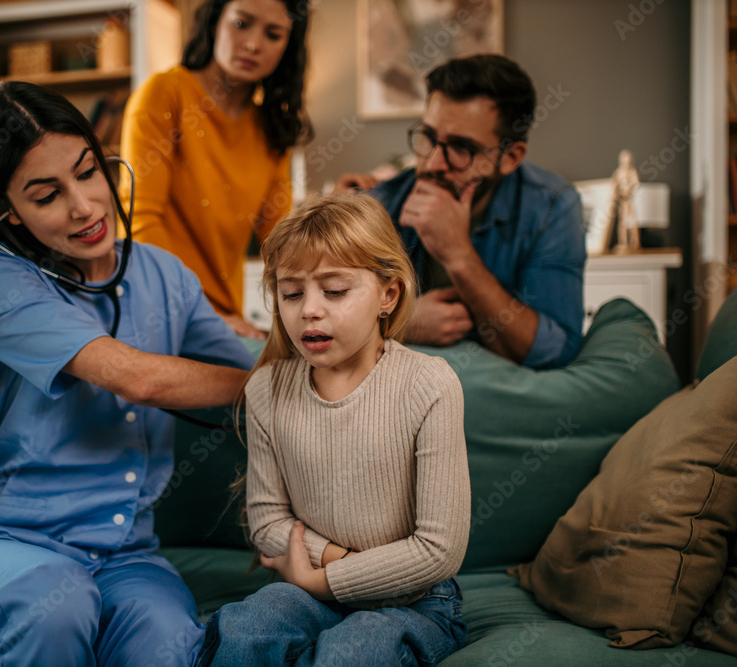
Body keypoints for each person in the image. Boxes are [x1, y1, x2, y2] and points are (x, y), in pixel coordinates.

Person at [0, 80, 256, 667]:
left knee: (165, 643)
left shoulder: (165, 275)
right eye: (47, 195)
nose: (85, 206)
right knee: (54, 604)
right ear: (8, 209)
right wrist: (268, 385)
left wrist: (335, 347)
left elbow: (252, 369)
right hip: (1, 546)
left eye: (88, 172)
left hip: (125, 559)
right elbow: (136, 379)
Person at [197, 193, 471, 665]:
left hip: (416, 602)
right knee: (245, 626)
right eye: (292, 293)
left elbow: (438, 551)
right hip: (309, 590)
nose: (309, 310)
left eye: (335, 290)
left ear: (388, 295)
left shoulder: (430, 384)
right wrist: (332, 565)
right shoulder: (267, 388)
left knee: (354, 648)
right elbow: (267, 523)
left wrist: (321, 579)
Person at [337, 54, 586, 369]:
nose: (432, 164)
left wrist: (459, 255)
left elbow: (555, 351)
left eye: (462, 148)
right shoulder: (380, 205)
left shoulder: (552, 206)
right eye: (428, 137)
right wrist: (402, 323)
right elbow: (321, 319)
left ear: (510, 157)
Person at [120, 0, 313, 340]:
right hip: (158, 311)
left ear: (288, 46)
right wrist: (203, 314)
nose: (253, 44)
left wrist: (329, 217)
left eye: (273, 34)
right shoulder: (165, 94)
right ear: (214, 21)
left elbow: (279, 241)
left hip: (227, 320)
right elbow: (140, 221)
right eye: (241, 24)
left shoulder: (272, 128)